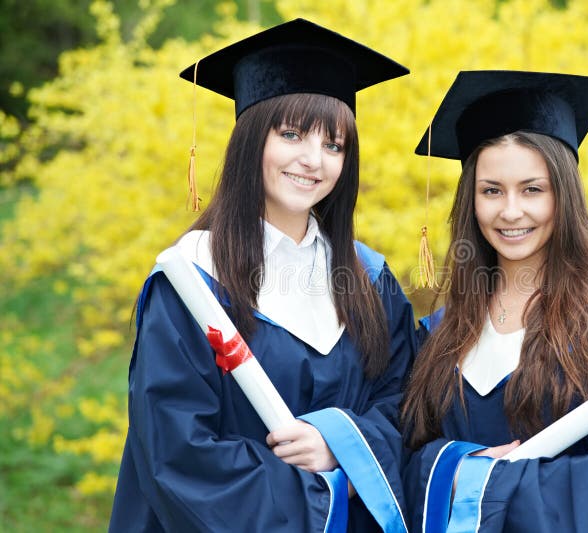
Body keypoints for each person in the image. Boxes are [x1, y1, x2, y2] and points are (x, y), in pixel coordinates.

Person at [110, 19, 415, 532]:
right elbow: (177, 451)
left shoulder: (368, 278)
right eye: (291, 134)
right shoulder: (192, 281)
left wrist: (342, 445)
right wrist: (318, 500)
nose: (313, 160)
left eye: (334, 145)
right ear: (252, 139)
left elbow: (406, 402)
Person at [401, 71, 588, 532]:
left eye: (533, 189)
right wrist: (456, 464)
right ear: (471, 200)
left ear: (564, 196)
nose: (511, 211)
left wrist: (478, 482)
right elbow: (406, 457)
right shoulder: (440, 334)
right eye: (491, 191)